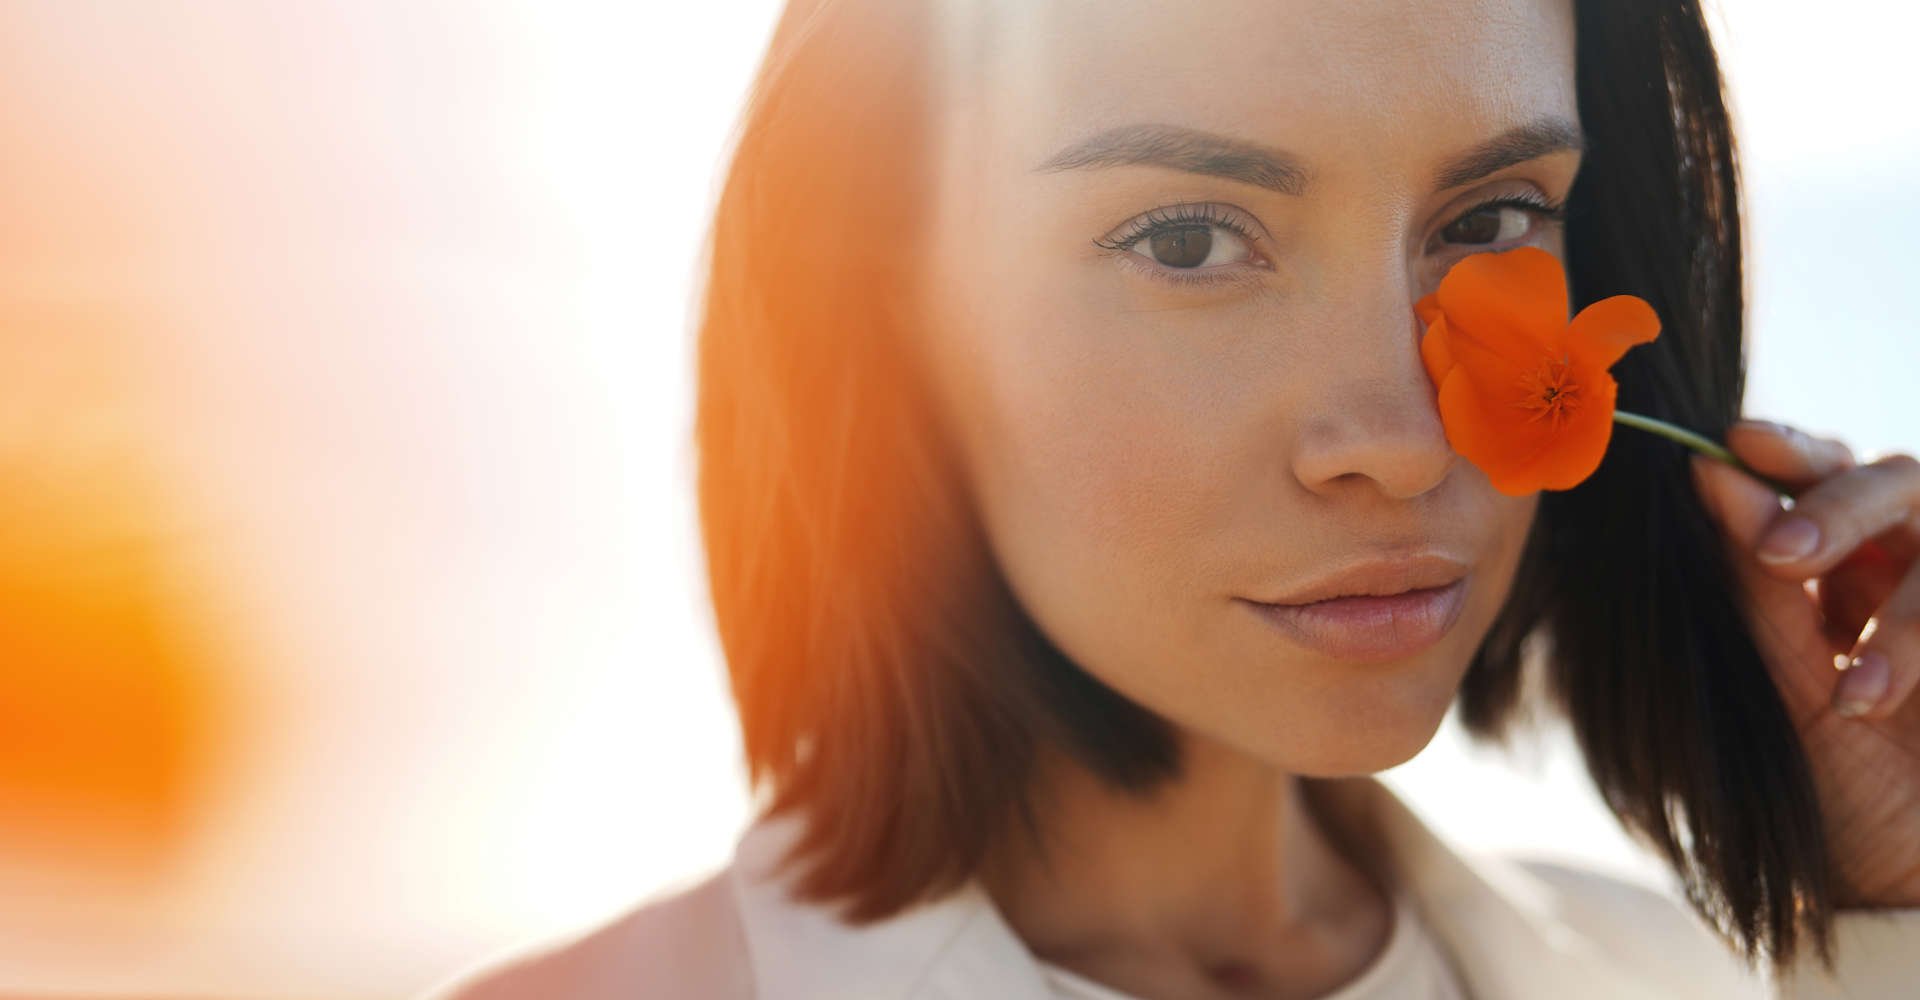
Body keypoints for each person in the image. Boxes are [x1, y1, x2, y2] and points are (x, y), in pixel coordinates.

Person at [423, 0, 1920, 996]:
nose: (1401, 441)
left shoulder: (1673, 974)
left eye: (1491, 218)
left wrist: (1889, 894)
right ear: (879, 309)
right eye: (1191, 241)